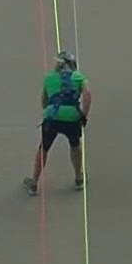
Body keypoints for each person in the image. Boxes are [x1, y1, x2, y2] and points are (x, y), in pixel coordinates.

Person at [24, 50, 89, 195]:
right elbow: (87, 94)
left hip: (52, 117)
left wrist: (48, 113)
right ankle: (78, 178)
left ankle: (34, 182)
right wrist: (84, 114)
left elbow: (44, 100)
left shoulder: (48, 78)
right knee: (75, 145)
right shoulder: (79, 77)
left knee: (44, 148)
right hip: (72, 118)